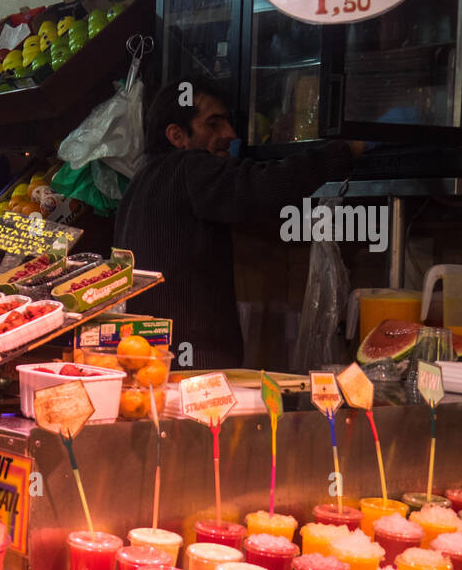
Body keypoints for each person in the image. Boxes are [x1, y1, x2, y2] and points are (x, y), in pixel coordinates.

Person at [113, 77, 363, 369]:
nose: (230, 133)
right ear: (177, 136)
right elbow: (263, 185)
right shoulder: (192, 168)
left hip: (147, 355)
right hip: (193, 363)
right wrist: (344, 151)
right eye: (213, 124)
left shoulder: (140, 181)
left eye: (227, 122)